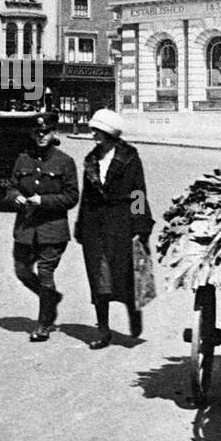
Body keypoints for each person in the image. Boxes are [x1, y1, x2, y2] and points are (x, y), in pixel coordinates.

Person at [74, 108, 154, 349]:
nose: (93, 135)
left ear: (109, 133)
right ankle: (103, 330)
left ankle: (133, 311)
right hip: (95, 227)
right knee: (99, 278)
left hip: (123, 224)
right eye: (93, 131)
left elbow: (138, 192)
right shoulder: (91, 160)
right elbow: (86, 196)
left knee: (127, 275)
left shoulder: (129, 158)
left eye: (97, 131)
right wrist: (80, 224)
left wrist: (140, 224)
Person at [7, 114, 80, 342]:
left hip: (52, 229)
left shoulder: (64, 162)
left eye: (46, 132)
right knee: (22, 270)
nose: (41, 136)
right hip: (26, 229)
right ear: (32, 134)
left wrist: (44, 201)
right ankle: (51, 298)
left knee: (45, 272)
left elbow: (71, 196)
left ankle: (44, 324)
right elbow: (11, 188)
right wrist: (16, 197)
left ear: (53, 133)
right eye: (37, 133)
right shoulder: (22, 160)